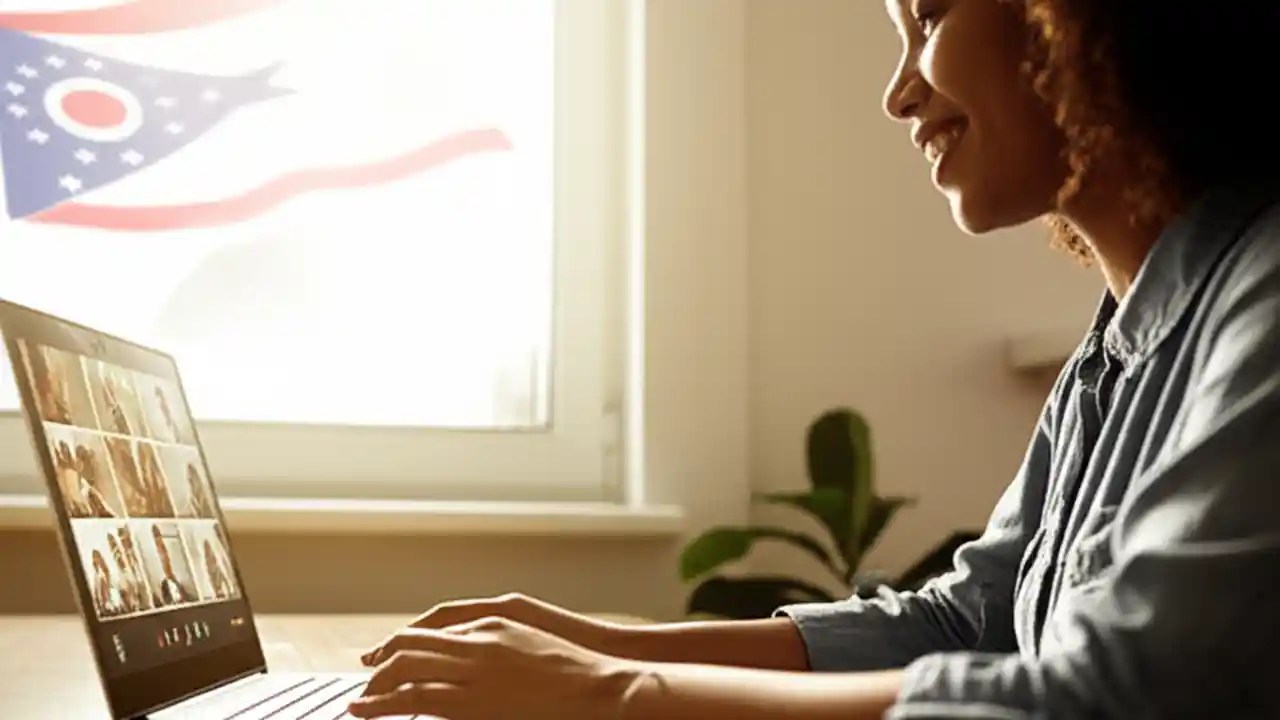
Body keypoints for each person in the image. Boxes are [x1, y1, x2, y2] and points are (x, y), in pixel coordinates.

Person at [349, 1, 1280, 718]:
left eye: (927, 18)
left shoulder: (1264, 293)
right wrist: (602, 645)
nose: (899, 92)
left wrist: (617, 695)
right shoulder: (1120, 343)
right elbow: (968, 624)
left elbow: (1118, 698)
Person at [150, 525, 194, 607]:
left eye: (164, 549)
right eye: (160, 551)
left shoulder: (182, 582)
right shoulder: (161, 588)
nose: (165, 555)